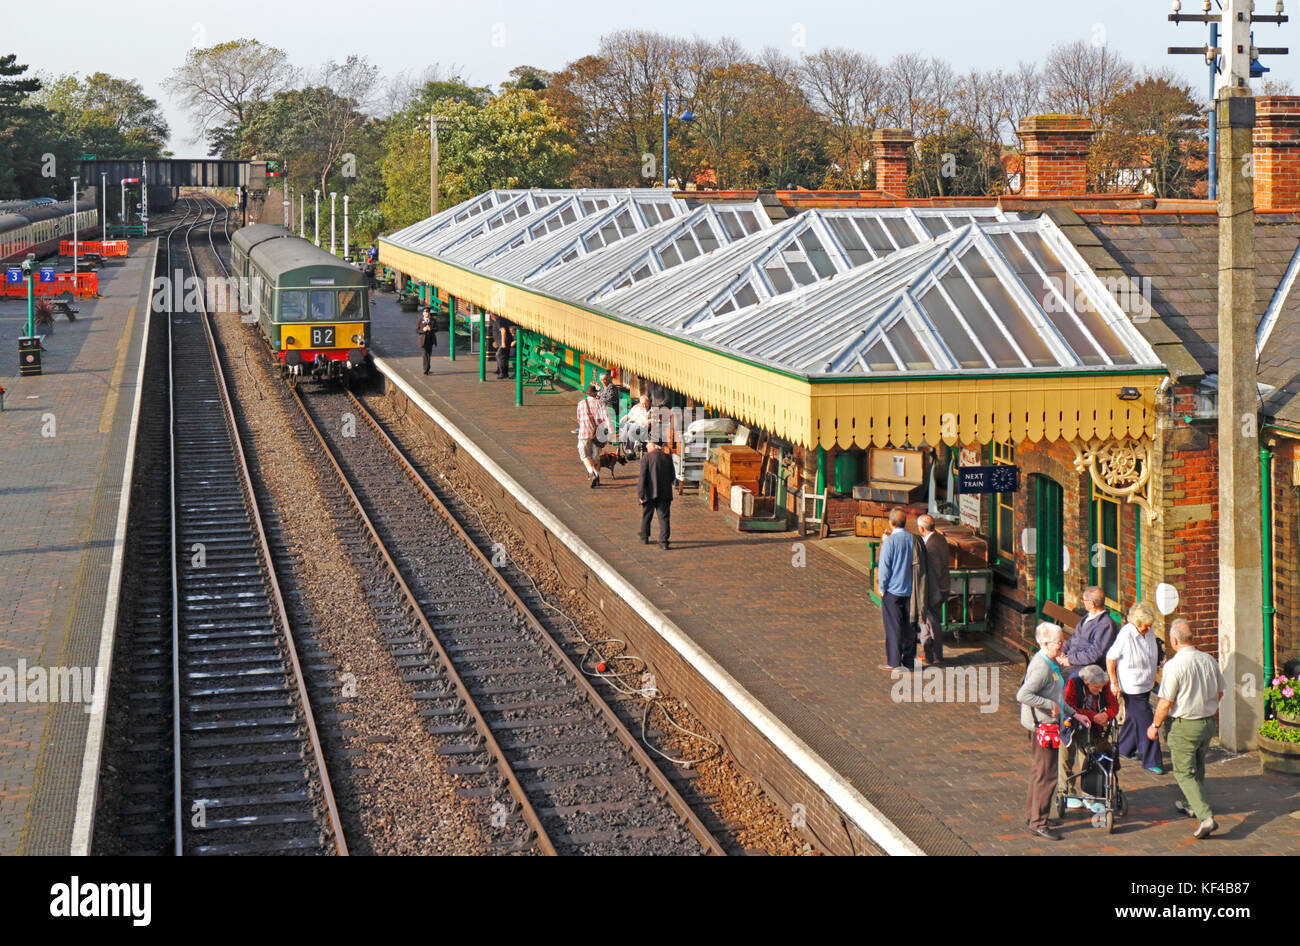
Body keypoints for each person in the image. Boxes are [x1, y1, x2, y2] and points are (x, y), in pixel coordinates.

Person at [1151, 619, 1225, 839]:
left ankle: (1205, 816)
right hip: (1207, 722)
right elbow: (1220, 692)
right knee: (1198, 765)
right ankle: (1188, 803)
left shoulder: (1174, 665)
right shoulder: (1209, 660)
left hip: (1184, 724)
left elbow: (1165, 702)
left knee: (1184, 772)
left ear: (1174, 640)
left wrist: (1154, 726)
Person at [1017, 622, 1067, 841]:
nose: (1063, 645)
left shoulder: (1049, 661)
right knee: (1047, 775)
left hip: (1046, 725)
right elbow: (1023, 694)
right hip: (1043, 728)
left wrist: (1073, 713)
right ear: (1045, 643)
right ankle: (1039, 822)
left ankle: (1033, 815)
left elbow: (1057, 697)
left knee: (1040, 772)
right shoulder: (1041, 666)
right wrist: (1049, 705)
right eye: (1059, 642)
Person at [1105, 602, 1163, 773]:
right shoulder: (1126, 634)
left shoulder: (1149, 630)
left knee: (1134, 717)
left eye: (1150, 626)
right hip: (1132, 686)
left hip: (1146, 683)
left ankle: (1124, 748)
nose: (1148, 629)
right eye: (1145, 626)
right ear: (1137, 624)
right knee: (1146, 721)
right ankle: (1152, 760)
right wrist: (1114, 683)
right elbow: (1110, 658)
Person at [1057, 663, 1119, 804]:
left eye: (1102, 686)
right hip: (1069, 724)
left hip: (1091, 727)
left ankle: (1090, 794)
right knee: (1066, 758)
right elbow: (1068, 706)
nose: (1101, 689)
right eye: (1096, 687)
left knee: (1089, 759)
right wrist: (1093, 716)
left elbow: (1113, 704)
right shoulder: (1073, 682)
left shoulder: (1102, 682)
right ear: (1086, 681)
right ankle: (1066, 792)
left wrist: (1106, 715)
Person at [876, 508, 916, 672]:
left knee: (893, 627)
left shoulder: (890, 542)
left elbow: (884, 567)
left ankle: (893, 661)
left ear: (891, 523)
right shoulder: (913, 539)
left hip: (893, 591)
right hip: (910, 589)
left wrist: (882, 588)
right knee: (909, 626)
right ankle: (909, 661)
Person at [1059, 587, 1118, 679]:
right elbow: (1074, 637)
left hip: (1087, 667)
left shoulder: (1105, 625)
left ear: (1092, 604)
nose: (1082, 602)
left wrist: (1070, 660)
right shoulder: (1088, 617)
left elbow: (1094, 654)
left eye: (1084, 600)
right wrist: (1063, 651)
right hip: (1073, 659)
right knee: (1048, 668)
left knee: (1058, 677)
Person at [915, 515, 950, 666]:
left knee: (932, 621)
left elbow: (932, 571)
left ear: (922, 528)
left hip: (934, 589)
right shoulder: (940, 539)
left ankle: (936, 654)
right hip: (942, 586)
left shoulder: (930, 547)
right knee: (928, 620)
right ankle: (928, 650)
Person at [637, 438, 676, 549]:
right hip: (664, 493)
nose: (646, 446)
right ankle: (663, 541)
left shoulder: (646, 458)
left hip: (649, 493)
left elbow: (642, 477)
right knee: (663, 517)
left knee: (647, 515)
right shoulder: (668, 458)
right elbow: (672, 476)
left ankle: (644, 537)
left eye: (648, 443)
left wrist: (640, 494)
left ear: (653, 445)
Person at [576, 384, 607, 487]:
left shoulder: (581, 404)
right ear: (595, 394)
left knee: (585, 456)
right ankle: (597, 477)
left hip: (584, 433)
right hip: (597, 435)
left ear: (587, 394)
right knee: (596, 457)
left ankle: (592, 472)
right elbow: (605, 420)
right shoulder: (601, 404)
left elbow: (579, 420)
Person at [598, 371, 620, 440]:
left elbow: (609, 398)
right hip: (605, 406)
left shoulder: (611, 387)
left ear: (607, 379)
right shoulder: (603, 387)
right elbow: (601, 397)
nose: (603, 381)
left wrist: (601, 401)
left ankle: (611, 432)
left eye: (605, 379)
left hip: (612, 407)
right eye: (601, 380)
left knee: (604, 411)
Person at [418, 306, 437, 375]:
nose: (427, 313)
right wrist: (423, 330)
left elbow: (437, 329)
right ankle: (425, 369)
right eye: (425, 312)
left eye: (428, 312)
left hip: (430, 339)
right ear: (423, 313)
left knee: (429, 354)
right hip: (423, 340)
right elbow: (417, 330)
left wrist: (430, 329)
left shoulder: (433, 320)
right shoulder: (420, 320)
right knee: (424, 354)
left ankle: (428, 368)